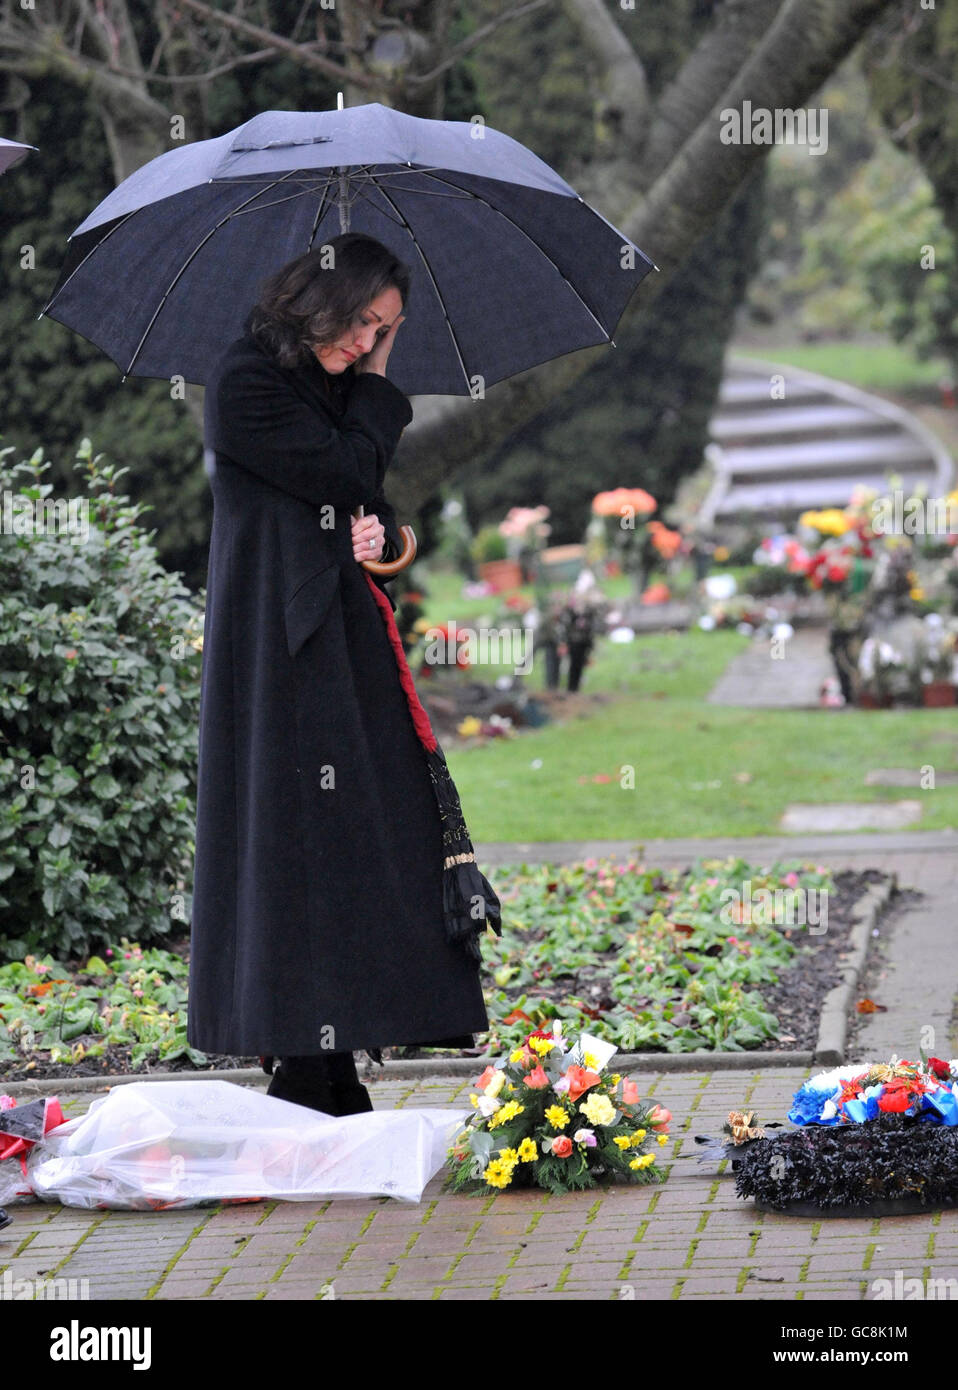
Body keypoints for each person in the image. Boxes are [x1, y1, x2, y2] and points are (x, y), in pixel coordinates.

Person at [188, 234, 491, 1117]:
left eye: (387, 330)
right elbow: (346, 469)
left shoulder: (337, 388)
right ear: (320, 298)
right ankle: (301, 1065)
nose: (369, 344)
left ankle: (342, 1050)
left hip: (345, 641)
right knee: (290, 845)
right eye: (364, 322)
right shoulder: (243, 380)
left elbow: (375, 507)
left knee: (368, 839)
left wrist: (379, 540)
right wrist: (374, 392)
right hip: (275, 651)